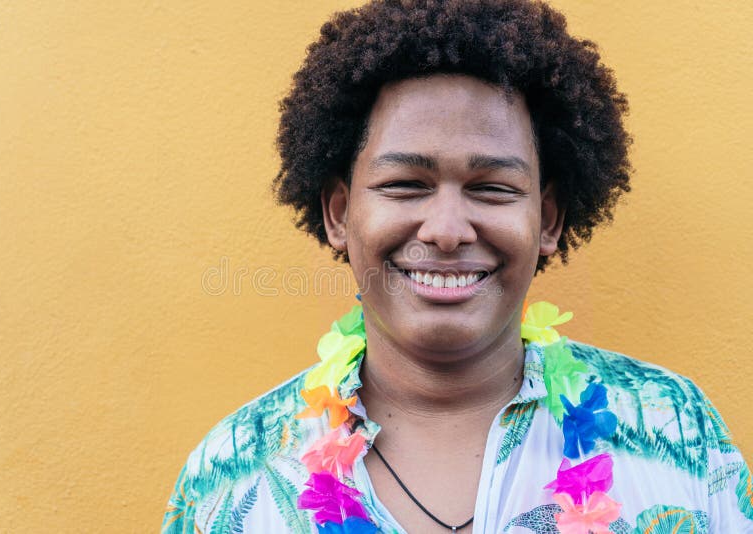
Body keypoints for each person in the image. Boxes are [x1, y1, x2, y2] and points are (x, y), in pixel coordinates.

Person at [162, 1, 752, 532]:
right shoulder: (231, 477)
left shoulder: (677, 433)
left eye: (492, 187)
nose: (446, 231)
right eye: (404, 184)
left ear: (547, 220)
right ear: (340, 213)